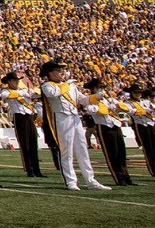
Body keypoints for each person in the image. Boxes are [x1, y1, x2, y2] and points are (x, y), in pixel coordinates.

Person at [38, 60, 110, 191]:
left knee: (82, 148)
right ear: (50, 73)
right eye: (58, 71)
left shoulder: (70, 85)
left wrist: (95, 97)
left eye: (61, 70)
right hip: (60, 116)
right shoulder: (47, 85)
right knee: (66, 150)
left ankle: (90, 180)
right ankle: (70, 181)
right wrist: (66, 84)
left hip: (75, 116)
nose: (61, 73)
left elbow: (82, 99)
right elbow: (53, 94)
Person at [86, 78, 134, 186]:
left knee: (121, 153)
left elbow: (126, 108)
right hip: (104, 127)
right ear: (93, 89)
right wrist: (108, 108)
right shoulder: (90, 99)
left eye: (103, 88)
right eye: (99, 88)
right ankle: (119, 178)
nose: (102, 90)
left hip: (116, 125)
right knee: (112, 154)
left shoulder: (108, 99)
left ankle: (126, 177)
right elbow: (92, 110)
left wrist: (117, 106)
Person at [0, 72, 43, 177]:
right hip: (19, 117)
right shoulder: (6, 90)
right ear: (9, 81)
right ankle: (29, 169)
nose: (17, 82)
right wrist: (23, 93)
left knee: (33, 142)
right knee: (25, 144)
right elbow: (4, 96)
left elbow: (35, 94)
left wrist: (33, 93)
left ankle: (37, 170)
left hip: (29, 116)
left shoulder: (23, 90)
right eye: (15, 80)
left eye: (17, 80)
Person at [124, 84, 155, 177]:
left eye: (139, 92)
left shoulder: (146, 101)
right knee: (148, 148)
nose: (138, 94)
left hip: (151, 123)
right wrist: (146, 110)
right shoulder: (128, 103)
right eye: (136, 92)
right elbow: (131, 112)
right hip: (141, 125)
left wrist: (154, 108)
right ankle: (153, 169)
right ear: (131, 93)